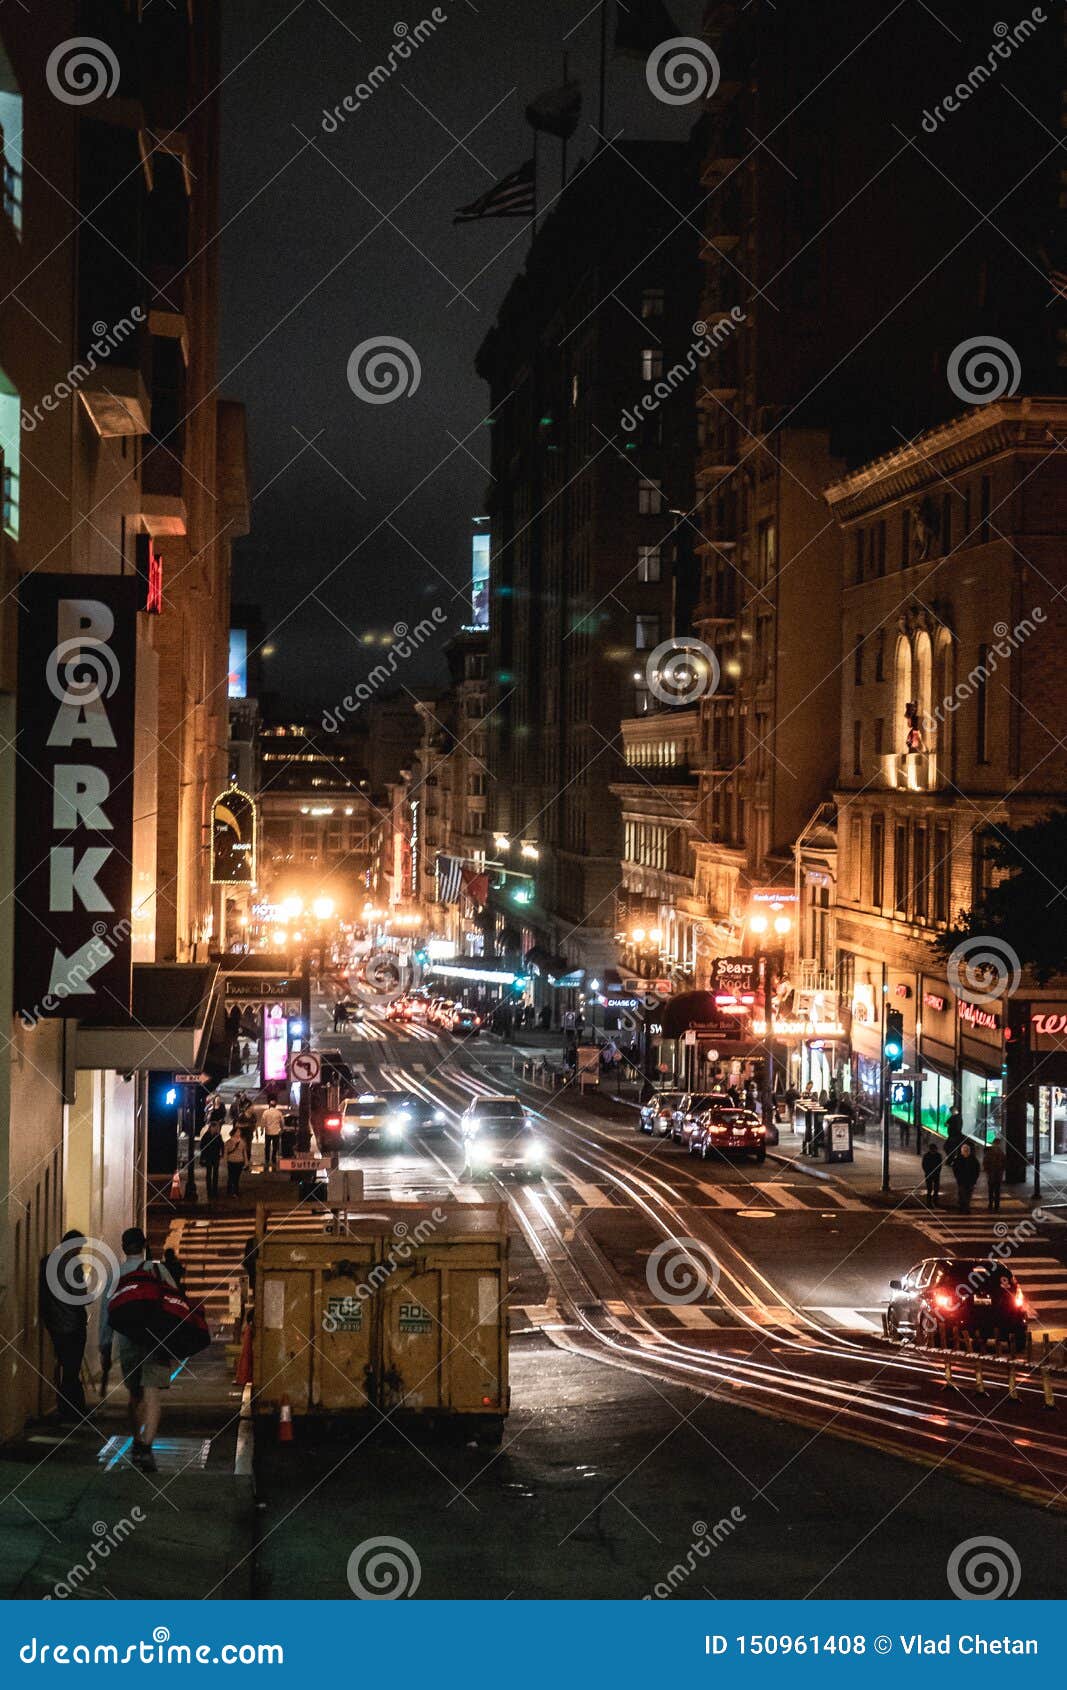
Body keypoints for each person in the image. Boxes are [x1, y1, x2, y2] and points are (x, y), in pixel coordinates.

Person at [101, 1227, 176, 1473]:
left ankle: (136, 1440)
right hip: (156, 1341)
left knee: (135, 1395)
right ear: (144, 1246)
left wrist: (105, 1345)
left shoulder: (116, 1274)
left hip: (128, 1341)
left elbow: (107, 1313)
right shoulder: (157, 1270)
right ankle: (147, 1446)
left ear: (124, 1247)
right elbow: (175, 1302)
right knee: (152, 1394)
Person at [38, 1231, 88, 1420]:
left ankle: (68, 1407)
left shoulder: (48, 1262)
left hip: (54, 1323)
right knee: (72, 1368)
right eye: (79, 1248)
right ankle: (73, 1409)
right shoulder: (73, 1265)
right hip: (73, 1324)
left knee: (64, 1364)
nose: (79, 1252)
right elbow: (80, 1295)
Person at [199, 1119, 224, 1200]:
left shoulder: (218, 1136)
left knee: (215, 1173)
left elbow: (222, 1145)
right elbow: (202, 1146)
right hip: (209, 1157)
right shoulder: (206, 1136)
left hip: (216, 1156)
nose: (215, 1129)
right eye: (214, 1127)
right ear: (210, 1127)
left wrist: (222, 1154)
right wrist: (203, 1157)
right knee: (209, 1172)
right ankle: (209, 1189)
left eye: (216, 1128)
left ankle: (215, 1189)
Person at [953, 1140, 980, 1213]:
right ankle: (963, 1207)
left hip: (970, 1180)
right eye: (964, 1150)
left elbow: (977, 1170)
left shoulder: (972, 1159)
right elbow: (955, 1170)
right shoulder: (959, 1159)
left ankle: (965, 1208)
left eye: (967, 1150)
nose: (965, 1151)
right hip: (962, 1180)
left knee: (967, 1195)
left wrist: (974, 1179)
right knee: (963, 1194)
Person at [260, 1097, 285, 1171]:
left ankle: (267, 1159)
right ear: (275, 1105)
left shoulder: (266, 1112)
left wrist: (262, 1129)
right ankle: (273, 1159)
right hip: (276, 1132)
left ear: (269, 1105)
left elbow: (263, 1121)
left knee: (267, 1146)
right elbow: (282, 1122)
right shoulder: (279, 1113)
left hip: (268, 1132)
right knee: (275, 1147)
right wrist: (282, 1129)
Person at [983, 1137, 1006, 1212]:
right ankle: (996, 1205)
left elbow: (985, 1163)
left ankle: (991, 1204)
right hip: (997, 1175)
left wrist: (987, 1171)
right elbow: (1004, 1164)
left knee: (991, 1190)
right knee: (997, 1191)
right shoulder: (1001, 1153)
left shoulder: (989, 1152)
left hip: (992, 1175)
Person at [225, 1126, 248, 1196]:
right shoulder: (229, 1142)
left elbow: (244, 1152)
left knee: (237, 1177)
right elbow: (225, 1152)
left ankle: (235, 1191)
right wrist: (225, 1161)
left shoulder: (242, 1142)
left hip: (240, 1161)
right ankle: (231, 1191)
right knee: (231, 1177)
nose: (238, 1133)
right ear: (233, 1132)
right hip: (231, 1161)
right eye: (237, 1132)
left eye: (239, 1132)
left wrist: (246, 1161)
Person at [921, 1139, 943, 1206]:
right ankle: (931, 1202)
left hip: (932, 1174)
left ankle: (932, 1202)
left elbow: (924, 1165)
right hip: (931, 1174)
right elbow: (924, 1165)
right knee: (930, 1189)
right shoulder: (937, 1156)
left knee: (934, 1189)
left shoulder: (928, 1156)